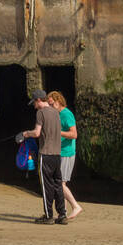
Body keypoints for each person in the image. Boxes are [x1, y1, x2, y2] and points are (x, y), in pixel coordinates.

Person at [17, 90, 67, 224]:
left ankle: (48, 216)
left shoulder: (40, 113)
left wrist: (25, 134)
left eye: (34, 102)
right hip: (57, 154)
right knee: (58, 184)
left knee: (46, 186)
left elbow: (37, 133)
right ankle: (62, 215)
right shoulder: (56, 112)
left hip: (45, 154)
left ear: (39, 100)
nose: (33, 105)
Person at [47, 91, 82, 219]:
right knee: (60, 184)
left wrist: (58, 132)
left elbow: (74, 134)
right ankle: (64, 212)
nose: (50, 107)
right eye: (49, 104)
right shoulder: (57, 114)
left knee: (60, 184)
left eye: (52, 104)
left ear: (58, 101)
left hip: (67, 153)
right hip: (60, 152)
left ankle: (75, 206)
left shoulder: (67, 114)